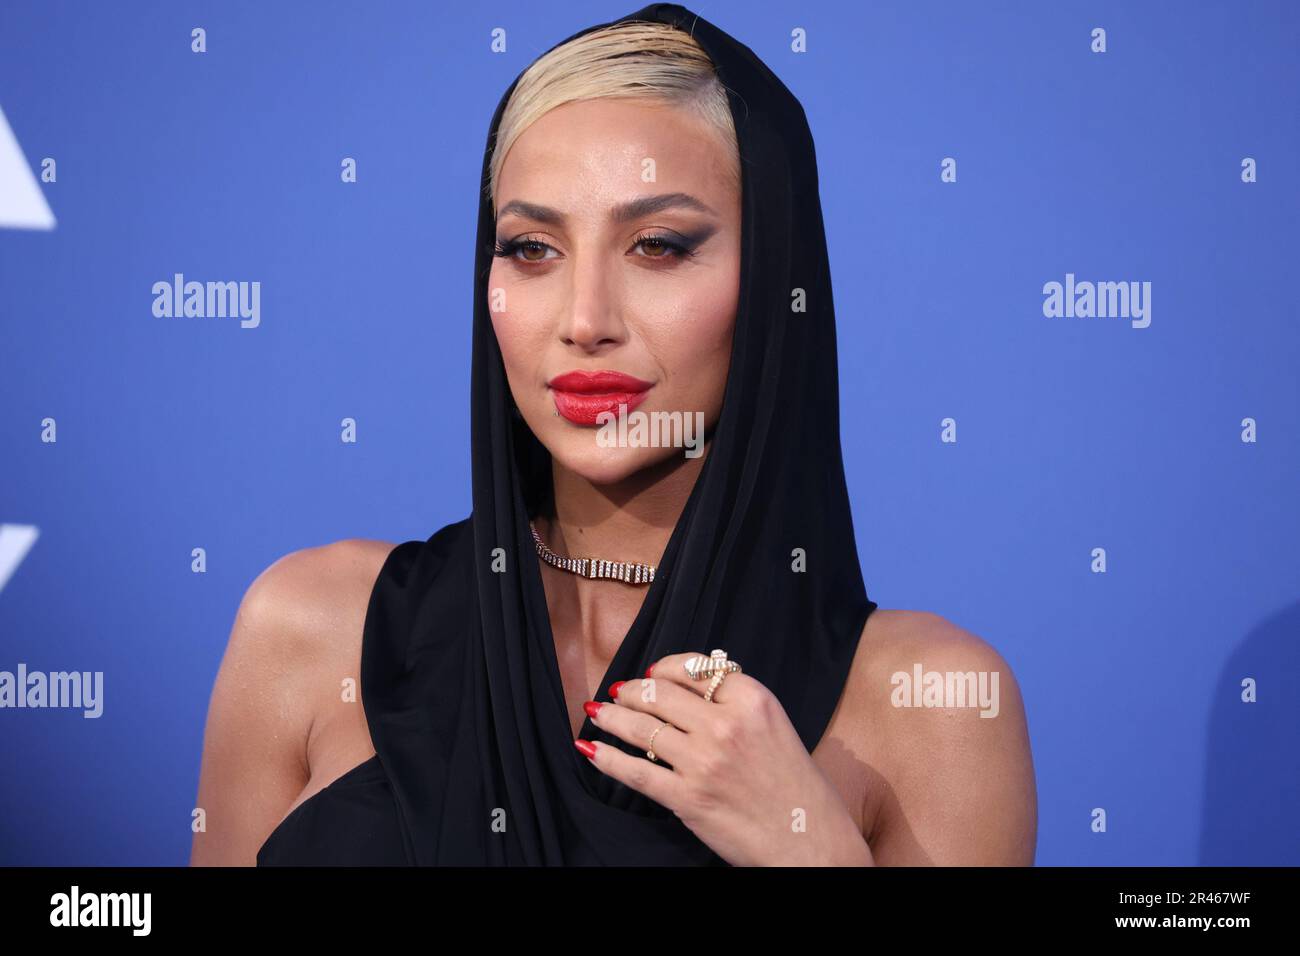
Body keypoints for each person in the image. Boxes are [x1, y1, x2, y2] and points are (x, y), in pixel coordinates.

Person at [190, 2, 1036, 866]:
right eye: (531, 248)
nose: (585, 320)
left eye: (658, 245)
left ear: (777, 275)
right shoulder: (307, 625)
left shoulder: (933, 705)